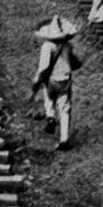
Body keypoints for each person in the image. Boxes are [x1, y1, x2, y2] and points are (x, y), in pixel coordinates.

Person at [31, 15, 83, 151]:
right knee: (65, 107)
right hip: (65, 79)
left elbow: (43, 67)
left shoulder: (47, 46)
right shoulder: (67, 46)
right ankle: (64, 139)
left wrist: (37, 80)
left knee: (49, 98)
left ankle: (50, 117)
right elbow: (74, 63)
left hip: (51, 79)